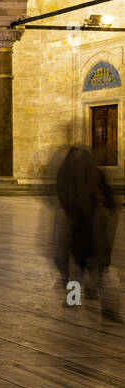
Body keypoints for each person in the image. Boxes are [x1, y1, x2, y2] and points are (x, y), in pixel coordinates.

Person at [55, 137, 121, 320]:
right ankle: (108, 308)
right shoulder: (94, 171)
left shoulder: (67, 173)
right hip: (95, 224)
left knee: (77, 266)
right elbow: (109, 197)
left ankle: (73, 299)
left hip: (80, 225)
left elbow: (63, 194)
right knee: (101, 268)